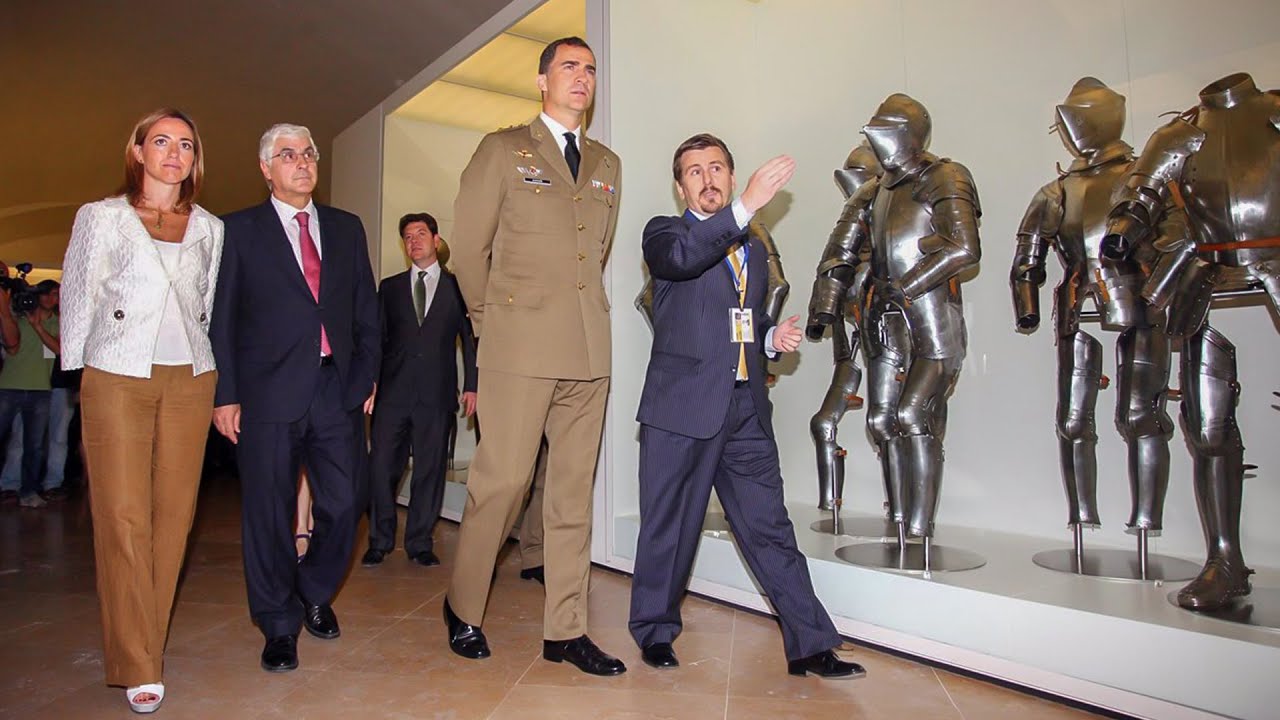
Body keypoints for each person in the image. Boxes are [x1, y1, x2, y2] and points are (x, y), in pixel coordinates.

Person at [630, 133, 864, 679]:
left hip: (744, 411)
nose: (707, 178)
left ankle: (810, 642)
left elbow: (735, 322)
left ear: (731, 175)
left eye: (717, 168)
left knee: (770, 528)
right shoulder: (664, 234)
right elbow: (686, 260)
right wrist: (748, 205)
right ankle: (655, 632)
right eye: (694, 171)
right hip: (680, 411)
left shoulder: (754, 248)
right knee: (670, 527)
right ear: (680, 184)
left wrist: (766, 339)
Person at [445, 35, 624, 676]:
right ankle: (463, 608)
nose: (582, 78)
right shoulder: (502, 150)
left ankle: (565, 631)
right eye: (569, 67)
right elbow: (468, 251)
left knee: (571, 497)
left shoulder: (606, 163)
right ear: (542, 79)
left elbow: (593, 256)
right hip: (518, 346)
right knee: (502, 483)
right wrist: (492, 325)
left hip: (586, 349)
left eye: (591, 70)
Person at [60, 108, 224, 713]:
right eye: (161, 141)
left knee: (174, 517)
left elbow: (203, 303)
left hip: (191, 378)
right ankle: (139, 662)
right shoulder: (102, 218)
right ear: (137, 151)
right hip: (117, 375)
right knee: (124, 517)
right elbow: (77, 295)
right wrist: (80, 380)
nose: (174, 153)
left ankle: (144, 642)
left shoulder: (209, 226)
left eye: (185, 144)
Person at [210, 123, 378, 673]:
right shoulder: (237, 230)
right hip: (265, 394)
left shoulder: (346, 228)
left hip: (336, 389)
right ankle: (278, 623)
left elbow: (364, 310)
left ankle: (313, 588)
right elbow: (223, 318)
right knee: (267, 511)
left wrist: (365, 378)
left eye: (308, 154)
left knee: (348, 499)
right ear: (265, 168)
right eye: (288, 155)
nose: (302, 163)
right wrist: (226, 393)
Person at [361, 212, 477, 568]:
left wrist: (473, 386)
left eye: (421, 234)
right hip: (391, 396)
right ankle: (379, 540)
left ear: (436, 241)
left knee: (429, 469)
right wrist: (370, 384)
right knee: (381, 468)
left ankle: (419, 543)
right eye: (408, 236)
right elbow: (375, 341)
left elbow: (470, 342)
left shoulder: (459, 288)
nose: (414, 241)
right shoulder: (390, 287)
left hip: (436, 395)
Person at [0, 277, 59, 508]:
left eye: (54, 295)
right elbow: (11, 347)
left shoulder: (57, 322)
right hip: (8, 386)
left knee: (34, 446)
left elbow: (59, 349)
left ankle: (29, 492)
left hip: (41, 390)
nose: (49, 298)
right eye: (45, 293)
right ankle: (8, 486)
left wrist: (37, 326)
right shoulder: (17, 316)